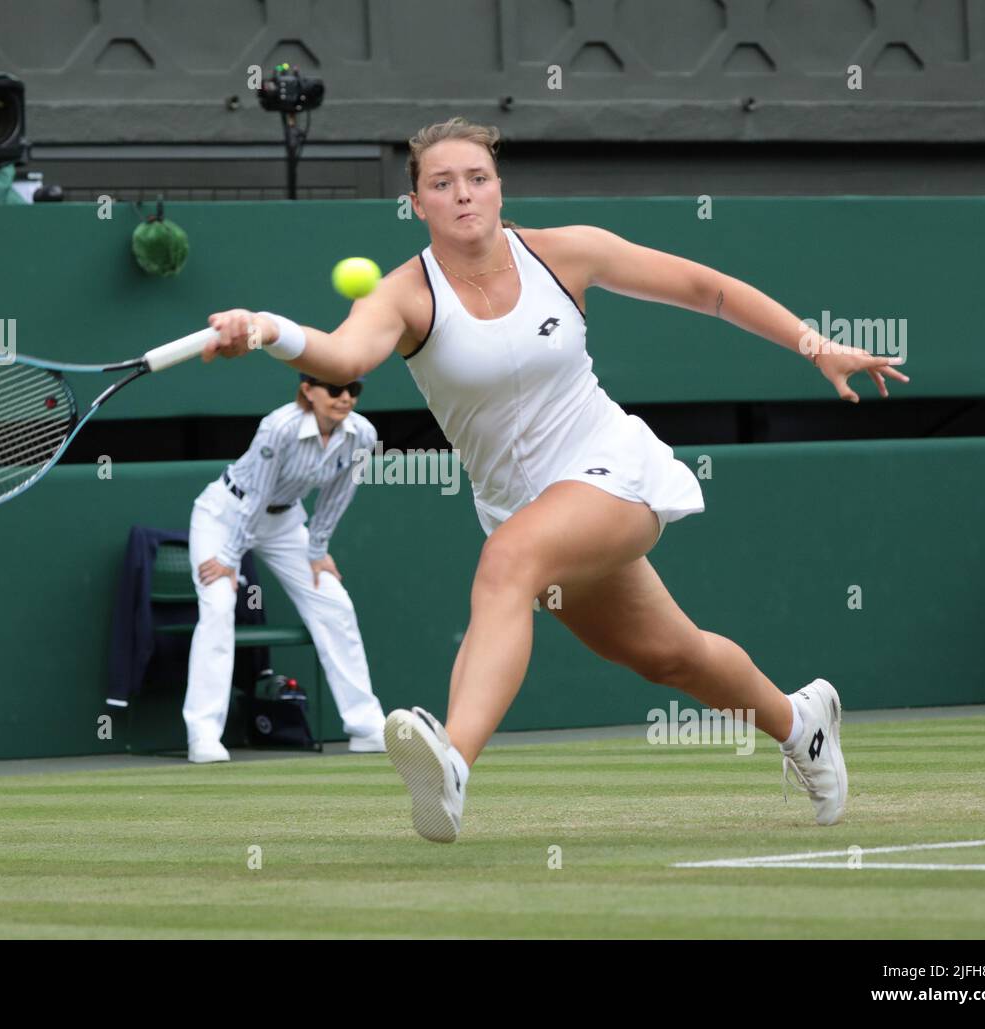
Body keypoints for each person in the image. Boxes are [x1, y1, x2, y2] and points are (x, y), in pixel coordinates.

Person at [197, 116, 909, 838]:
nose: (463, 195)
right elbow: (343, 356)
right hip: (522, 502)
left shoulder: (566, 253)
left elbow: (707, 288)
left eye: (477, 178)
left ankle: (453, 767)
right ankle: (801, 723)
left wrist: (813, 344)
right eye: (442, 184)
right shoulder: (403, 294)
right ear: (417, 203)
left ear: (499, 188)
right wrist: (266, 330)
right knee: (671, 655)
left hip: (612, 468)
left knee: (509, 560)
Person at [183, 373, 388, 763]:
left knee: (334, 603)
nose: (345, 398)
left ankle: (365, 726)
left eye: (353, 390)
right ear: (308, 391)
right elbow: (257, 495)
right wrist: (228, 558)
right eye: (334, 389)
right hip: (225, 514)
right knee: (218, 606)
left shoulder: (362, 434)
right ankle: (203, 734)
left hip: (286, 523)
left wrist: (317, 549)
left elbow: (339, 494)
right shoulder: (279, 427)